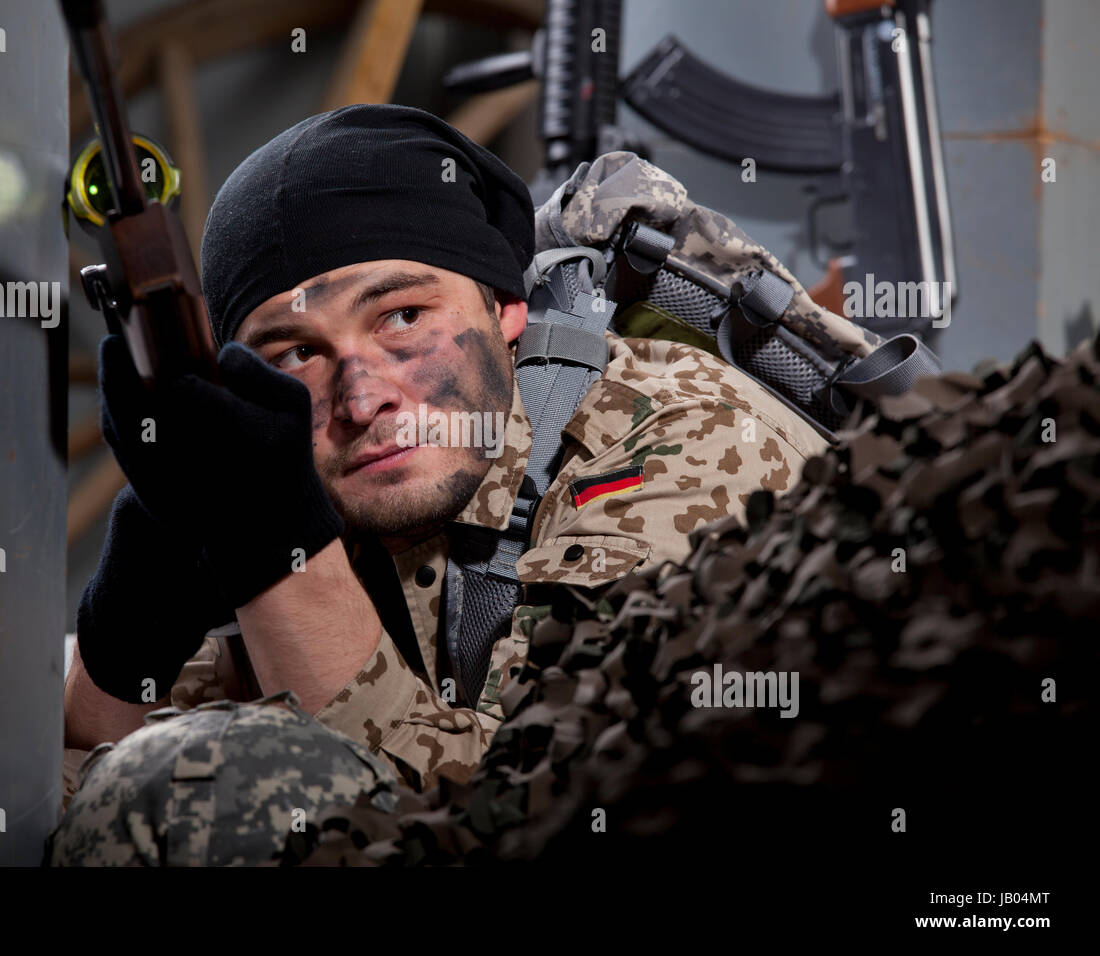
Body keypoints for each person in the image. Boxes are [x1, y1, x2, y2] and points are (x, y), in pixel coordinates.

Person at [49, 104, 826, 865]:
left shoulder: (686, 444)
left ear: (504, 306)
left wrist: (277, 550)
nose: (361, 399)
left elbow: (539, 821)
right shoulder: (317, 481)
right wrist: (132, 618)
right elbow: (85, 798)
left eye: (402, 317)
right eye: (294, 355)